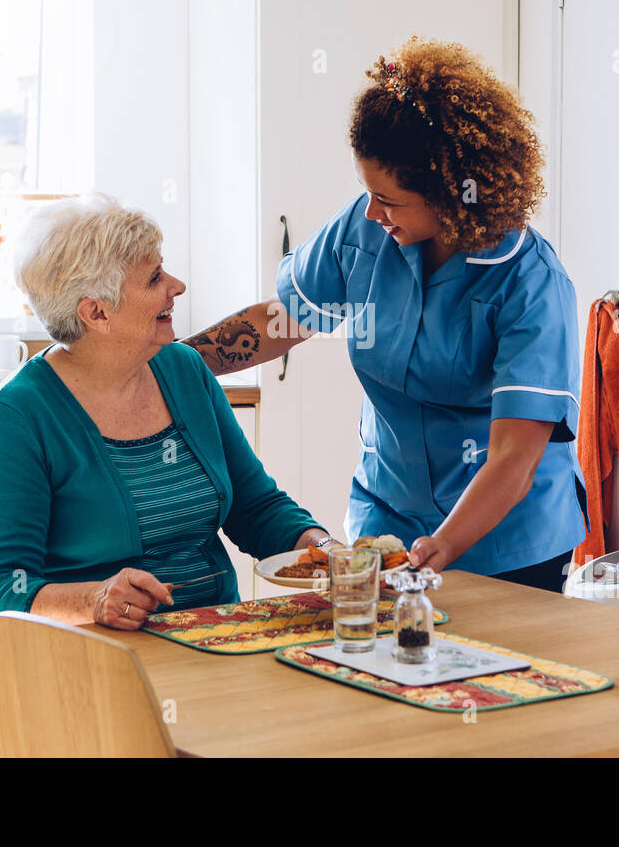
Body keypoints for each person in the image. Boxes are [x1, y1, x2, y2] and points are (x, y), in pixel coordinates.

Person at [184, 36, 589, 593]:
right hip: (389, 520)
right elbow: (282, 321)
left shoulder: (531, 283)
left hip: (507, 544)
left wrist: (442, 546)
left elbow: (515, 457)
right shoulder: (367, 227)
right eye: (366, 192)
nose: (372, 211)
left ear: (451, 194)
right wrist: (172, 365)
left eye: (390, 200)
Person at [0, 193, 338, 634]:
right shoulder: (21, 414)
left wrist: (328, 550)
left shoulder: (184, 370)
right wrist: (94, 599)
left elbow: (255, 508)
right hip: (94, 656)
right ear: (97, 312)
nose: (177, 286)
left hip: (215, 637)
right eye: (154, 278)